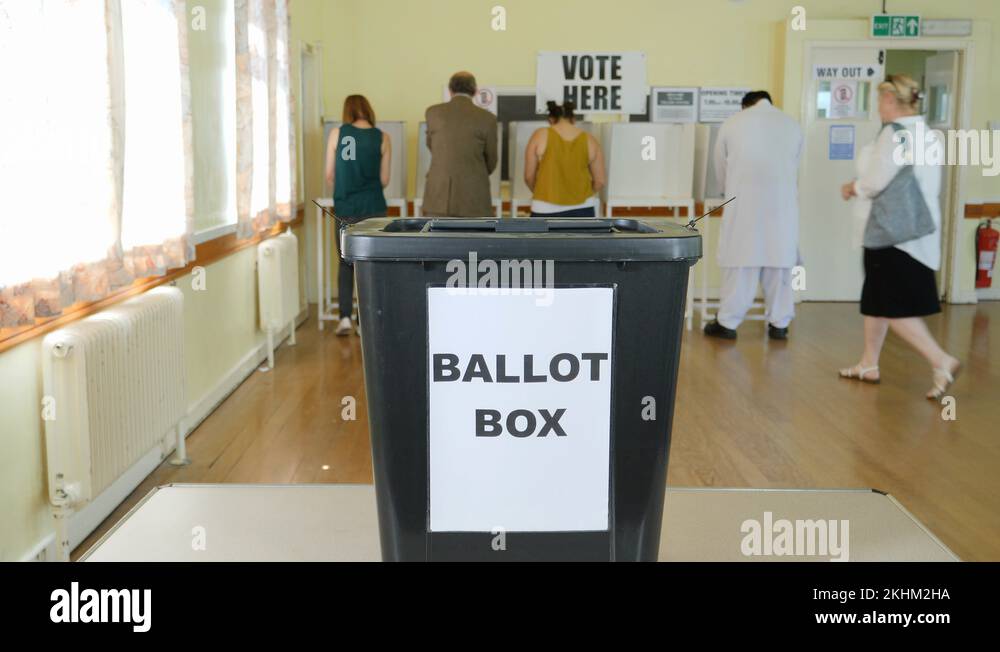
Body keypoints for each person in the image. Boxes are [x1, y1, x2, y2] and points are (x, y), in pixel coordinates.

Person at [838, 74, 961, 399]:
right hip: (918, 232)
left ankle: (941, 360)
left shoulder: (895, 135)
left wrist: (853, 187)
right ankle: (869, 363)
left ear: (891, 101)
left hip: (890, 236)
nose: (878, 107)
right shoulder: (930, 135)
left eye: (880, 100)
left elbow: (876, 181)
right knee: (878, 301)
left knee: (894, 308)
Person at [704, 90, 803, 341]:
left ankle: (728, 322)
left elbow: (720, 166)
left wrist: (728, 189)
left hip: (743, 204)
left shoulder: (733, 123)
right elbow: (796, 165)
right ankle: (780, 324)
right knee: (779, 265)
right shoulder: (792, 125)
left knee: (740, 265)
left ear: (744, 105)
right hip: (782, 207)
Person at [324, 94, 391, 336]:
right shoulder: (383, 137)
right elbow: (385, 180)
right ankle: (366, 322)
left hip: (345, 209)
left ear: (348, 111)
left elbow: (329, 175)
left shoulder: (336, 134)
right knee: (370, 264)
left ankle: (344, 318)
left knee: (345, 263)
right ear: (368, 110)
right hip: (374, 208)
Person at [423, 71, 498, 217]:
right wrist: (475, 171)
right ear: (475, 91)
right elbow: (492, 159)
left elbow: (432, 146)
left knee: (438, 238)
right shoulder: (487, 118)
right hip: (475, 196)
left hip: (439, 195)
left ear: (450, 91)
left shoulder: (433, 113)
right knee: (474, 238)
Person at [523, 101, 606, 217]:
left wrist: (541, 192)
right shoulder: (590, 139)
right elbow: (600, 181)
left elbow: (528, 176)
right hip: (583, 207)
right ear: (573, 119)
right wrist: (580, 195)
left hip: (544, 207)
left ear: (551, 119)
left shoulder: (539, 135)